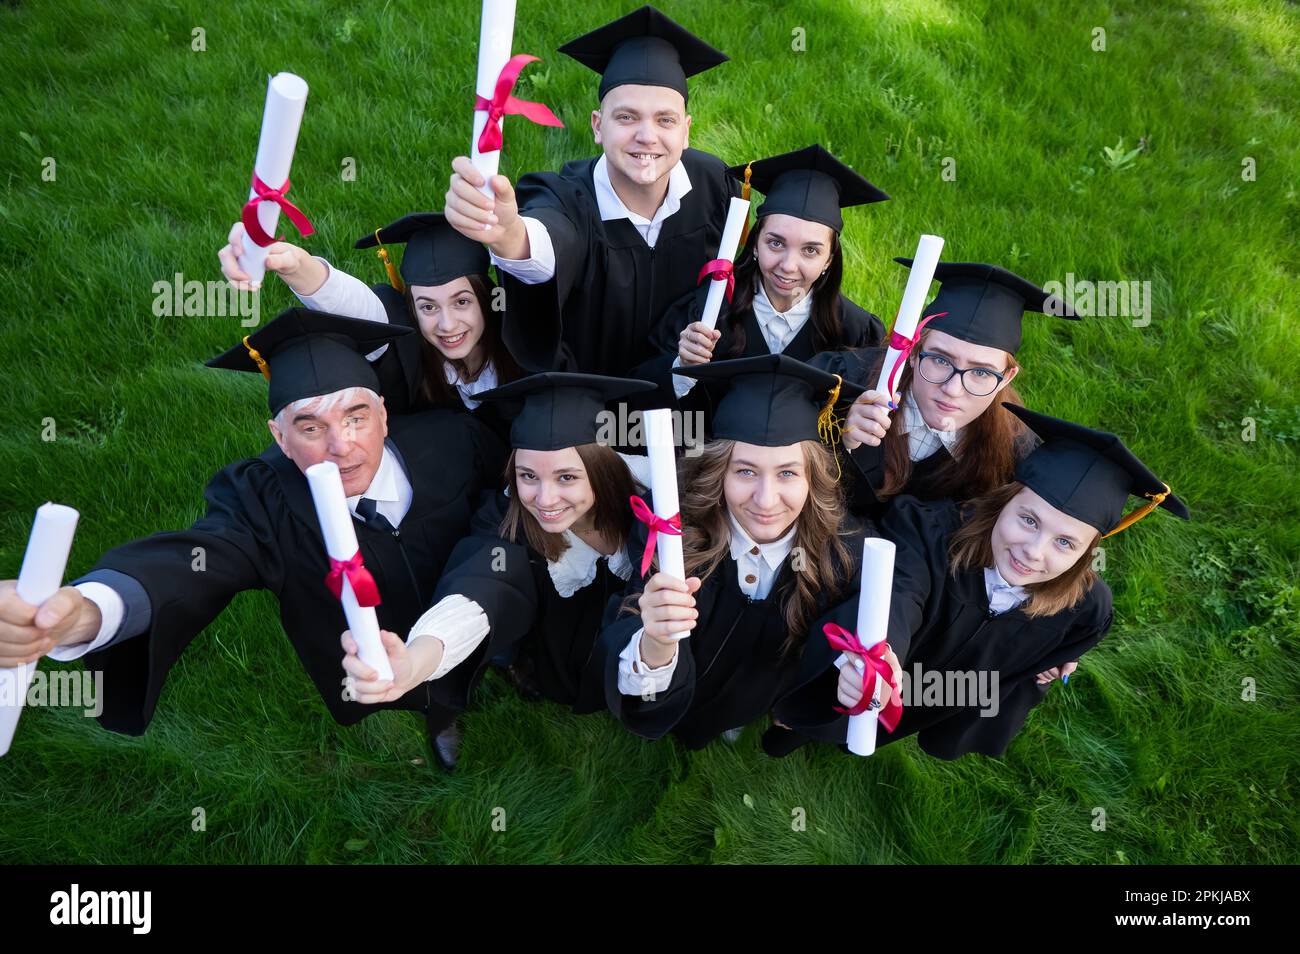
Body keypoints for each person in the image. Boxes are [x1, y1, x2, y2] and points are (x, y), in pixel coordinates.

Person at [0, 309, 506, 770]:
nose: (341, 446)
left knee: (487, 642)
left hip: (463, 592)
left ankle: (486, 670)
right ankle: (439, 714)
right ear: (280, 438)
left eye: (356, 417)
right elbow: (196, 561)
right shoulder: (262, 499)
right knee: (410, 687)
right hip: (367, 649)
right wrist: (84, 612)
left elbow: (509, 509)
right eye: (311, 427)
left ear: (384, 414)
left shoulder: (453, 441)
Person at [771, 404, 1189, 760]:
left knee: (889, 725)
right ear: (1005, 500)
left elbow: (1048, 660)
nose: (1034, 552)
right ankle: (791, 727)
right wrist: (878, 658)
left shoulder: (1087, 608)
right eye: (1028, 520)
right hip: (897, 663)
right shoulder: (929, 532)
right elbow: (900, 592)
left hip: (938, 694)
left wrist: (1045, 669)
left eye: (1065, 542)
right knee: (820, 713)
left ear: (1087, 552)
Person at [593, 354, 875, 749]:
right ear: (717, 472)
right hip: (680, 682)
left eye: (787, 473)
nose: (766, 499)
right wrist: (654, 639)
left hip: (760, 692)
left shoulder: (845, 551)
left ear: (814, 478)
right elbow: (633, 613)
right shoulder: (672, 530)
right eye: (745, 471)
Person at [444, 4, 740, 377]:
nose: (647, 136)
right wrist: (511, 236)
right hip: (584, 398)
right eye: (626, 117)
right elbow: (550, 236)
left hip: (686, 384)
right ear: (598, 126)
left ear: (686, 130)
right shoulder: (564, 196)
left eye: (665, 120)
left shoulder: (714, 182)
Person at [219, 212, 525, 437]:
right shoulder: (408, 348)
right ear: (411, 309)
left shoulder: (523, 342)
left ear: (486, 298)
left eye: (462, 302)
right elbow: (358, 307)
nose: (447, 324)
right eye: (428, 306)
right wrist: (298, 266)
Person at [814, 260, 1080, 519]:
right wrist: (840, 441)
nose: (953, 389)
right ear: (915, 351)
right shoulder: (843, 383)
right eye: (940, 360)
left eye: (981, 372)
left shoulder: (1016, 451)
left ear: (1006, 378)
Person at [646, 144, 889, 415]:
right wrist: (682, 366)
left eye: (810, 250)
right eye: (776, 243)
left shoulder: (855, 330)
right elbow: (642, 392)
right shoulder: (705, 311)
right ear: (754, 245)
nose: (788, 266)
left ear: (829, 260)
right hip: (707, 455)